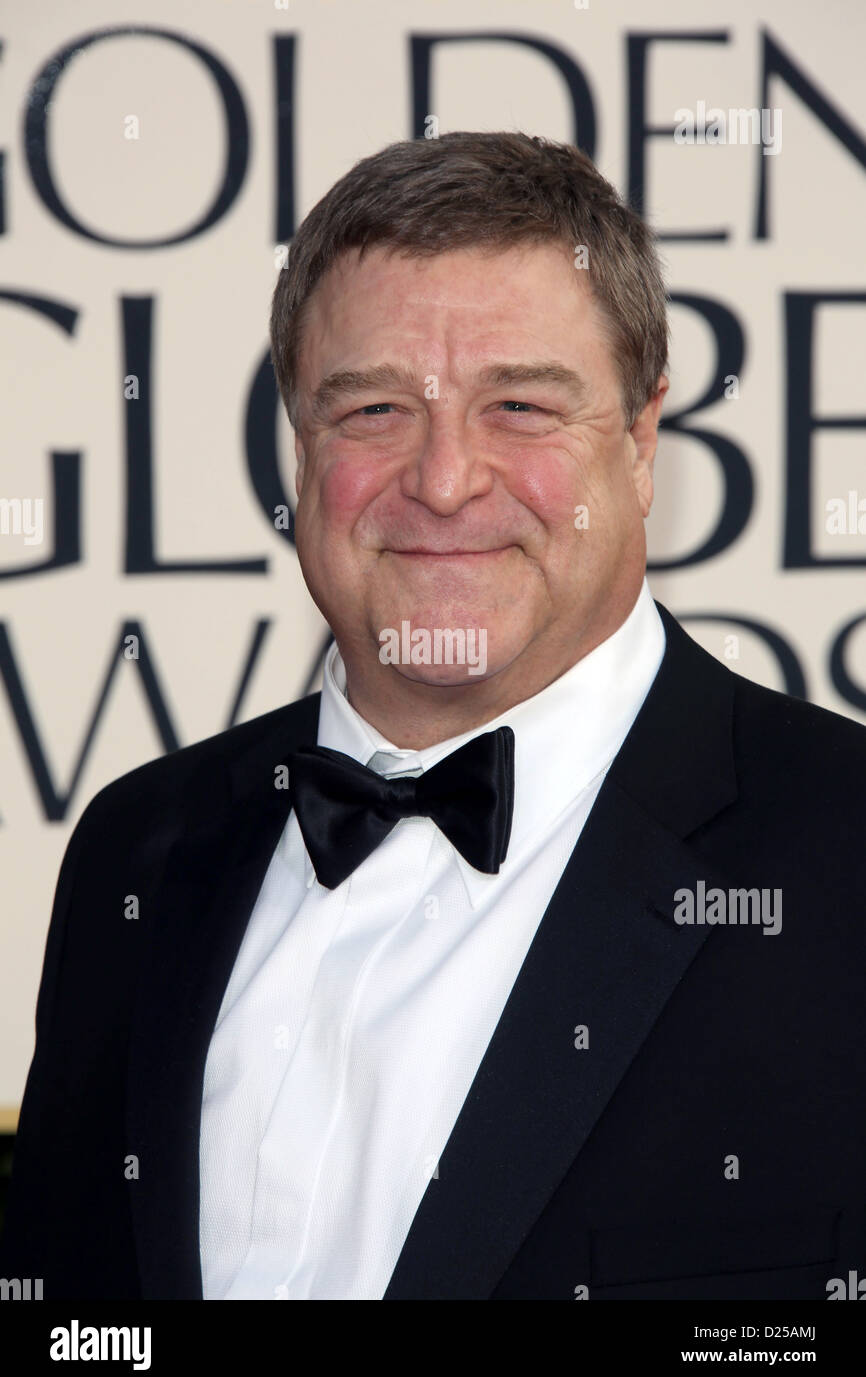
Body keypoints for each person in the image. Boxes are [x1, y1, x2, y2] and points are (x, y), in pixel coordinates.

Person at [2, 131, 865, 1301]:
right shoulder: (137, 844)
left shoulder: (839, 850)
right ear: (297, 441)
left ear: (641, 436)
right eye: (370, 411)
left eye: (517, 404)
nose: (444, 478)